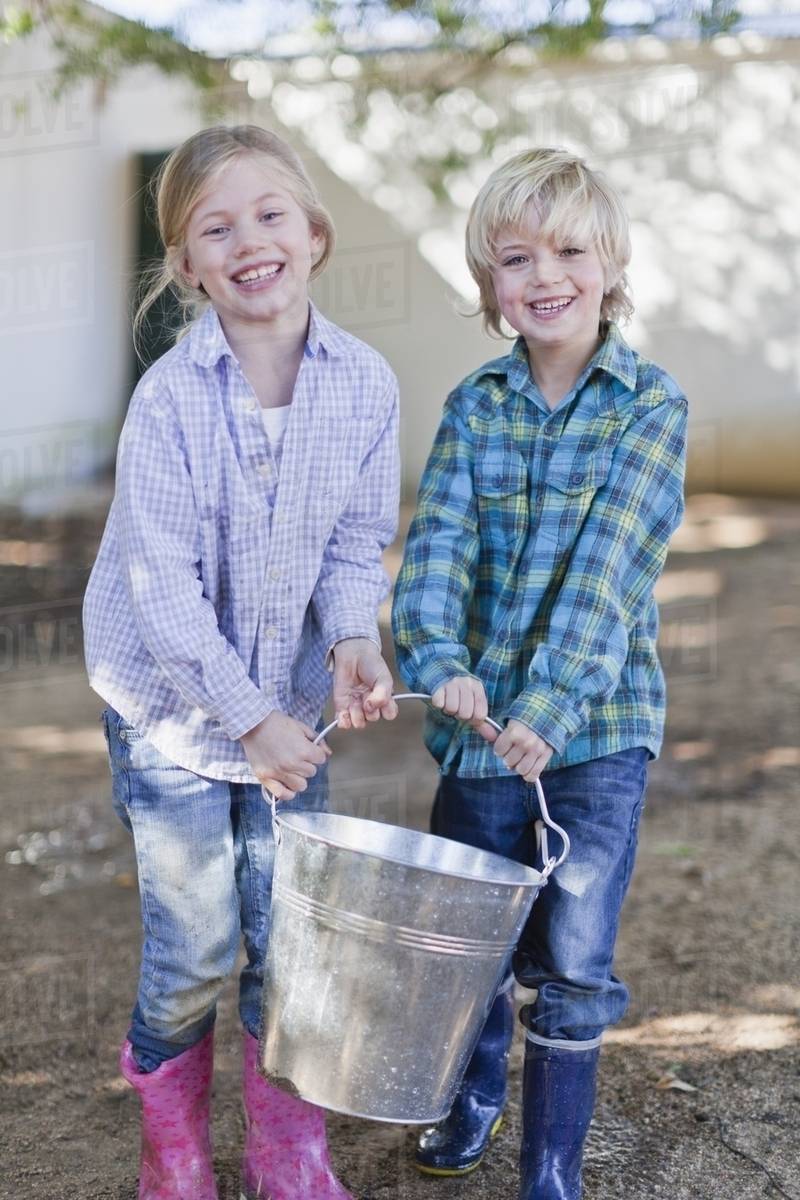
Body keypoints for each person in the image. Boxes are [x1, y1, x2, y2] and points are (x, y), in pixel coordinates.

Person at [83, 124, 400, 1200]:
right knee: (194, 949)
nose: (248, 240)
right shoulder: (167, 402)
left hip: (295, 711)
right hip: (171, 709)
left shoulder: (363, 384)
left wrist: (353, 638)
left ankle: (286, 1152)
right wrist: (248, 720)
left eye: (270, 215)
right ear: (186, 266)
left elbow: (355, 543)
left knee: (289, 942)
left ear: (311, 235)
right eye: (215, 227)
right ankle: (172, 1149)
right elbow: (159, 592)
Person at [392, 148, 688, 1199]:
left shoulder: (647, 406)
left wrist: (550, 706)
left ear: (610, 266)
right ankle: (471, 1096)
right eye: (513, 257)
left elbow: (611, 572)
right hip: (479, 740)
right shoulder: (474, 406)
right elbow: (436, 551)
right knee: (466, 942)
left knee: (570, 958)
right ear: (487, 285)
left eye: (567, 250)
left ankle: (549, 1169)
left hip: (595, 734)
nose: (542, 274)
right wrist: (441, 664)